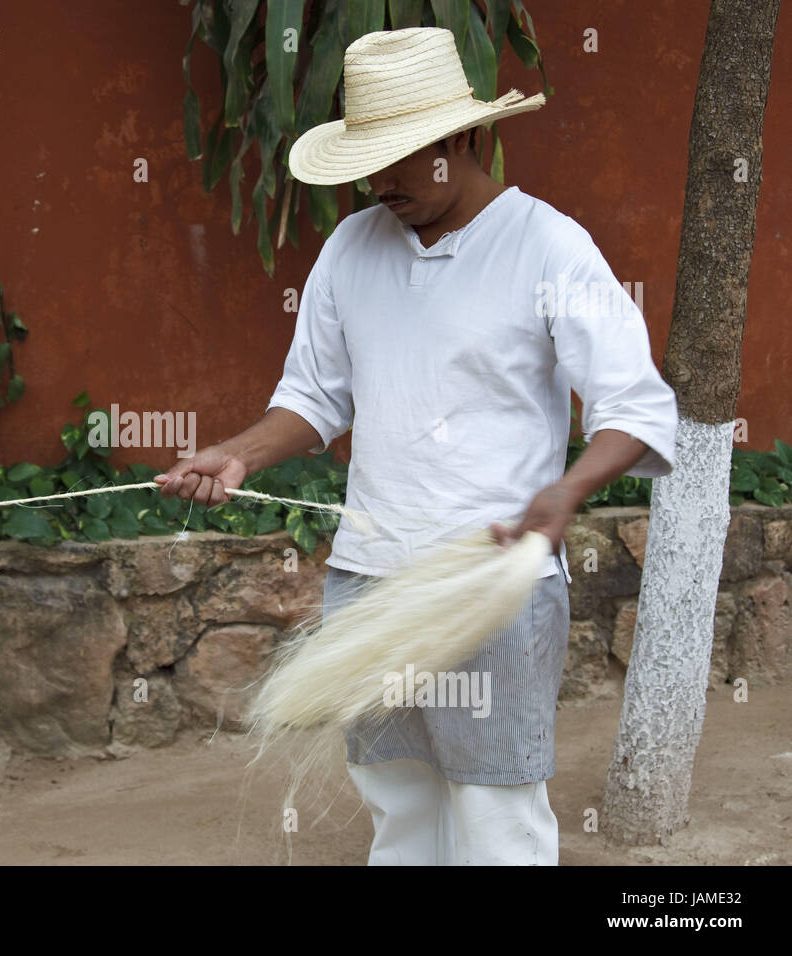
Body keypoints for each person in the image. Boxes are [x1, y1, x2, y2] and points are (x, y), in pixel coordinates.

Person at [156, 27, 678, 866]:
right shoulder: (348, 250)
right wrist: (241, 454)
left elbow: (635, 405)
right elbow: (315, 398)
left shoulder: (546, 245)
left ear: (464, 139)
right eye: (371, 157)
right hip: (371, 574)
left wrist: (566, 492)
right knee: (398, 802)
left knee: (494, 812)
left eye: (404, 156)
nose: (382, 179)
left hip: (489, 581)